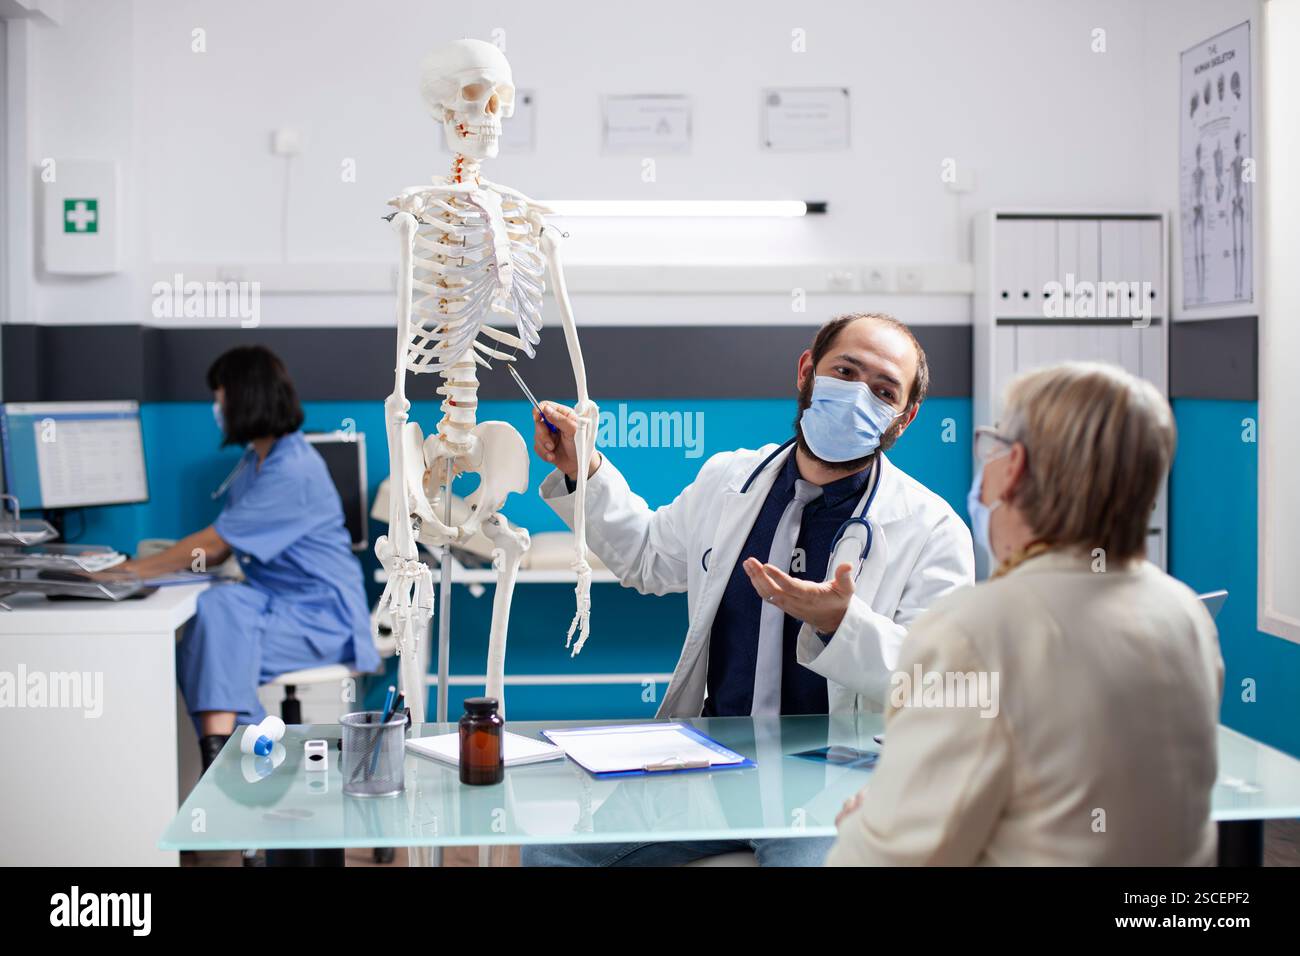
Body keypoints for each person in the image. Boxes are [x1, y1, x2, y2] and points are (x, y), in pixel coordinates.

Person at [523, 313, 975, 866]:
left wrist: (842, 625)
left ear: (904, 418)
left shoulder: (932, 529)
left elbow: (940, 683)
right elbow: (648, 558)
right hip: (714, 763)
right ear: (808, 369)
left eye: (883, 391)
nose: (859, 396)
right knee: (555, 854)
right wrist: (584, 469)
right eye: (845, 371)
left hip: (836, 782)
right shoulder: (728, 480)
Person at [828, 362, 1223, 865]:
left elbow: (889, 860)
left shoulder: (977, 631)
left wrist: (865, 824)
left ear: (1012, 467)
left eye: (992, 445)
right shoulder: (1182, 612)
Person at [118, 345, 377, 770]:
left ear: (244, 398)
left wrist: (126, 571)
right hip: (278, 604)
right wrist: (164, 564)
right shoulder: (258, 460)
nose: (216, 408)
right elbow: (226, 546)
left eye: (219, 397)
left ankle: (226, 759)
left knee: (213, 631)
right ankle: (242, 757)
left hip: (322, 619)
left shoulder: (291, 469)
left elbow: (217, 544)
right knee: (210, 631)